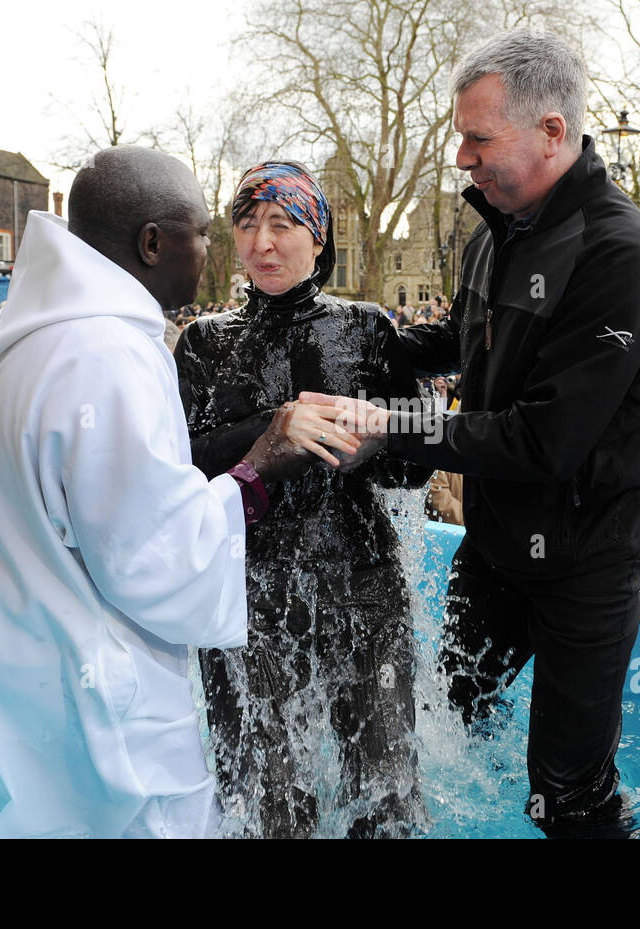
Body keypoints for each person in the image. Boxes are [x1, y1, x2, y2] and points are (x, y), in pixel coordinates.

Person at [309, 30, 640, 836]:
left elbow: (546, 438)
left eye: (478, 138)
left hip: (586, 557)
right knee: (442, 719)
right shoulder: (495, 231)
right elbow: (456, 340)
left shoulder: (623, 254)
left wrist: (392, 427)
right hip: (495, 545)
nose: (460, 157)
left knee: (568, 793)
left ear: (553, 131)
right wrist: (347, 339)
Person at [0, 146, 323, 839]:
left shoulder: (36, 338)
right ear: (153, 242)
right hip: (108, 705)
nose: (216, 251)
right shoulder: (108, 352)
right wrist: (261, 463)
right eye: (205, 232)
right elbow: (153, 556)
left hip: (34, 676)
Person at [173, 162, 432, 838]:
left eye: (282, 225)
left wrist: (376, 439)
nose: (263, 242)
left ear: (318, 237)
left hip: (362, 581)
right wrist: (270, 431)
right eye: (247, 225)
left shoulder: (368, 328)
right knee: (267, 800)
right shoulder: (204, 341)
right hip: (249, 589)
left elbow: (415, 462)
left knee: (387, 791)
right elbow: (176, 468)